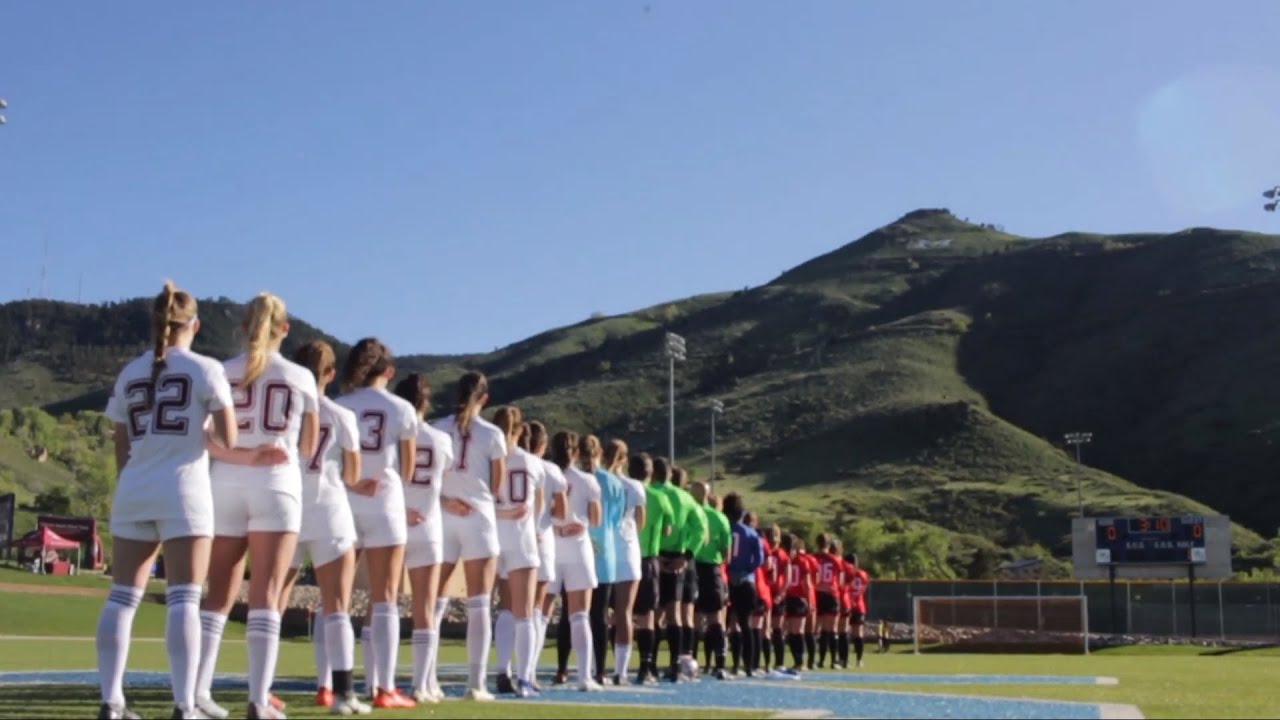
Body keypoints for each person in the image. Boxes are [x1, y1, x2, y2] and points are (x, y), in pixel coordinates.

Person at [97, 282, 239, 720]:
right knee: (183, 599)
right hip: (184, 490)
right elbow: (229, 439)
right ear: (194, 324)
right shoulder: (205, 368)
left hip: (135, 489)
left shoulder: (129, 371)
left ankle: (111, 703)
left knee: (122, 597)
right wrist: (204, 434)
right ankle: (183, 705)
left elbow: (121, 447)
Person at [196, 292, 320, 720]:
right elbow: (308, 445)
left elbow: (204, 438)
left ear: (245, 327)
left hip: (223, 484)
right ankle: (258, 699)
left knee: (217, 596)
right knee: (266, 595)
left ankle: (197, 692)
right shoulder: (301, 377)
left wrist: (242, 455)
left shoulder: (220, 371)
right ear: (283, 329)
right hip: (276, 485)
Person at [274, 340, 369, 715]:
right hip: (328, 510)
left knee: (272, 602)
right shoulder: (341, 415)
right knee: (337, 607)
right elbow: (353, 474)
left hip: (286, 507)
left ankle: (261, 689)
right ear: (330, 374)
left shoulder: (285, 410)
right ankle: (343, 694)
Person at [335, 338, 419, 709]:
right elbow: (409, 467)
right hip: (384, 501)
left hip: (344, 501)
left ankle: (329, 684)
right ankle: (383, 687)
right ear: (388, 371)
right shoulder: (401, 408)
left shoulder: (339, 405)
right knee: (385, 597)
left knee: (335, 598)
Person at [431, 370, 507, 701]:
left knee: (433, 599)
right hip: (478, 516)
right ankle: (475, 684)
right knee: (479, 604)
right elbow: (498, 485)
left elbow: (428, 476)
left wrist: (447, 499)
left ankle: (426, 678)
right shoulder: (492, 434)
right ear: (484, 399)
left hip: (444, 515)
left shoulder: (437, 428)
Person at [391, 374, 453, 704]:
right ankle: (421, 683)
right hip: (428, 527)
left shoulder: (393, 434)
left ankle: (381, 681)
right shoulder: (440, 439)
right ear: (425, 403)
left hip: (393, 523)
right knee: (425, 609)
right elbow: (442, 480)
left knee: (383, 603)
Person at [490, 407, 545, 699]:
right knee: (525, 613)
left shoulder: (491, 459)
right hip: (522, 540)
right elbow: (540, 508)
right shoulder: (533, 463)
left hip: (496, 539)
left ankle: (503, 670)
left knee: (505, 608)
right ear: (521, 430)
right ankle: (525, 678)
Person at [548, 432, 602, 691]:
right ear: (576, 452)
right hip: (577, 547)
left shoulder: (545, 473)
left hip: (550, 545)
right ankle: (584, 676)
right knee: (580, 614)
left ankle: (525, 673)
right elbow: (596, 519)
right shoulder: (587, 480)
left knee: (538, 613)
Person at [645, 458, 703, 683]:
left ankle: (648, 665)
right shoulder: (685, 497)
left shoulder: (648, 492)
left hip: (652, 556)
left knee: (651, 615)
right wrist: (687, 556)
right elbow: (700, 529)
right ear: (670, 474)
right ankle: (675, 665)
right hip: (676, 558)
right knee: (674, 614)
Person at [524, 421, 567, 692]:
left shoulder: (511, 460)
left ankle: (506, 667)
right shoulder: (549, 469)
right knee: (538, 610)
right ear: (542, 444)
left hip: (510, 536)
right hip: (541, 538)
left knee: (512, 607)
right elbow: (561, 512)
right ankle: (528, 670)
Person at [579, 434, 623, 686]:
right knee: (599, 615)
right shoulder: (612, 482)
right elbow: (615, 519)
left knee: (574, 614)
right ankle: (600, 670)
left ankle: (565, 667)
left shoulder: (572, 478)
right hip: (604, 551)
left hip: (576, 548)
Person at [628, 452, 672, 685]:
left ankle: (617, 667)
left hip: (623, 557)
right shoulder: (659, 497)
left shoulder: (623, 490)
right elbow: (667, 531)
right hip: (647, 560)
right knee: (647, 616)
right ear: (651, 473)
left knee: (621, 613)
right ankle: (646, 666)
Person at [605, 440, 646, 686]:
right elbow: (640, 523)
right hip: (627, 550)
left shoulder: (598, 481)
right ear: (624, 459)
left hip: (603, 551)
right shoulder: (635, 486)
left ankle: (596, 667)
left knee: (598, 612)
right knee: (624, 613)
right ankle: (620, 671)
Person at [669, 466, 708, 680]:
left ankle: (668, 663)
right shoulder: (692, 504)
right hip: (688, 559)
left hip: (667, 557)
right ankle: (687, 658)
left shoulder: (666, 497)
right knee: (686, 613)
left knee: (664, 613)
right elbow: (704, 533)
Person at [690, 482, 731, 679]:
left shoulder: (689, 512)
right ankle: (720, 664)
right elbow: (726, 553)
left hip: (691, 566)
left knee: (692, 618)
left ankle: (690, 664)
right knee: (716, 618)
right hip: (711, 569)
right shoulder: (719, 517)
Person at [723, 494, 764, 678]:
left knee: (730, 624)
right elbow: (760, 559)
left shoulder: (725, 529)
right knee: (746, 624)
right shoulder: (751, 533)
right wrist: (747, 569)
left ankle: (731, 664)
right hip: (747, 582)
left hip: (727, 580)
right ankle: (749, 666)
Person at [781, 534, 817, 676]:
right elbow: (807, 584)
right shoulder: (803, 561)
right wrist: (811, 602)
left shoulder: (785, 560)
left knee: (792, 632)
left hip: (790, 598)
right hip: (798, 598)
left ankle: (798, 661)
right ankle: (799, 662)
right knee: (797, 631)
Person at [812, 533, 845, 669]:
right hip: (831, 594)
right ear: (829, 544)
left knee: (817, 629)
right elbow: (841, 582)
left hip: (817, 594)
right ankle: (834, 660)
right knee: (831, 630)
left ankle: (818, 660)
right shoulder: (836, 560)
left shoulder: (813, 558)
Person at [845, 552, 871, 668]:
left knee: (844, 633)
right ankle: (859, 660)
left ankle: (844, 659)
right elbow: (863, 589)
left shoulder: (846, 573)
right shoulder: (863, 574)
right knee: (858, 634)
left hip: (847, 604)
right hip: (859, 605)